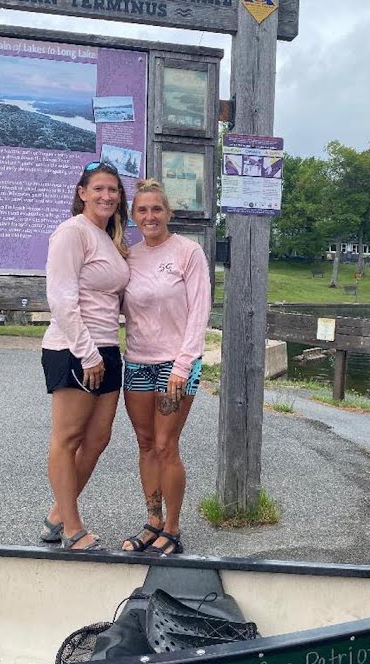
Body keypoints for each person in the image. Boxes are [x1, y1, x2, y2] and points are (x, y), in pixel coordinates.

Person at [38, 161, 130, 551]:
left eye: (113, 190)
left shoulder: (105, 236)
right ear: (82, 193)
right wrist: (87, 353)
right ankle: (73, 529)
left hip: (108, 348)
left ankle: (56, 515)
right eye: (99, 189)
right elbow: (60, 299)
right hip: (75, 349)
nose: (107, 196)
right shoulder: (71, 232)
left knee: (98, 438)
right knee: (68, 437)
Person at [118, 179, 212, 555]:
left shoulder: (188, 252)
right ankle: (152, 521)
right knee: (145, 445)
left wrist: (184, 364)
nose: (150, 216)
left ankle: (172, 527)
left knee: (166, 444)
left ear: (168, 213)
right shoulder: (128, 256)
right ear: (133, 216)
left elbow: (199, 310)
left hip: (177, 363)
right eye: (142, 210)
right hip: (138, 361)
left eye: (156, 209)